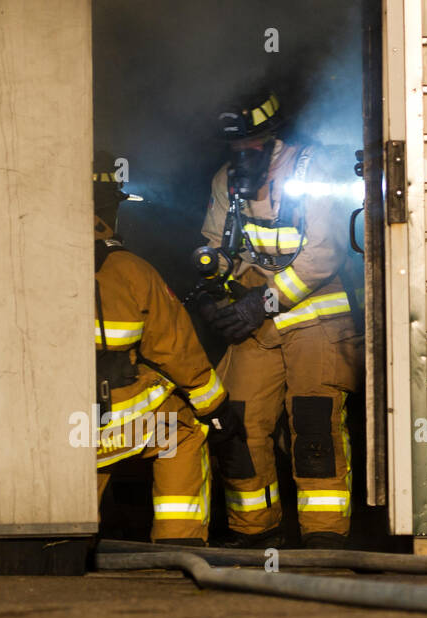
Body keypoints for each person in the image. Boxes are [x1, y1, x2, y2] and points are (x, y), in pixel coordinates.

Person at [195, 90, 364, 549]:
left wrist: (260, 303)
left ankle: (324, 540)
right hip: (259, 328)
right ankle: (254, 534)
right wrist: (215, 284)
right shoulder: (225, 182)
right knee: (239, 424)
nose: (242, 154)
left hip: (316, 323)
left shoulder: (312, 171)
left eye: (252, 143)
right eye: (235, 146)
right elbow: (216, 245)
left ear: (273, 137)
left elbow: (324, 254)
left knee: (313, 426)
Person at [91, 151, 250, 545]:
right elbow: (177, 351)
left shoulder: (19, 264)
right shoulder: (130, 270)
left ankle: (63, 540)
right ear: (111, 206)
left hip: (39, 432)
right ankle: (180, 543)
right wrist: (215, 409)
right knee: (183, 428)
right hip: (103, 425)